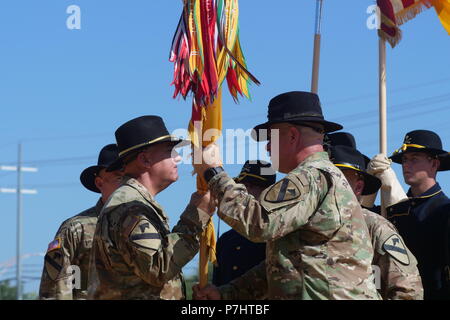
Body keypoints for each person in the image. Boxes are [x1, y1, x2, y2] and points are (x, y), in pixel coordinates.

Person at [193, 91, 381, 300]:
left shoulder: (310, 176)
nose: (266, 146)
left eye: (270, 137)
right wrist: (226, 294)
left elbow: (259, 222)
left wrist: (214, 173)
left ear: (292, 136)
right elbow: (285, 262)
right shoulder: (321, 175)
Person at [88, 115, 215, 300]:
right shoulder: (129, 207)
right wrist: (197, 216)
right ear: (145, 160)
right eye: (169, 151)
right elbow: (159, 268)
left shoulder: (134, 203)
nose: (178, 158)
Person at [328, 145, 423, 300]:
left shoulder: (374, 226)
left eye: (337, 179)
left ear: (358, 187)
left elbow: (408, 289)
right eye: (323, 178)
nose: (327, 185)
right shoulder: (302, 222)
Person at [39, 144, 123, 299]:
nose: (128, 185)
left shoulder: (149, 224)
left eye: (132, 178)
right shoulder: (76, 229)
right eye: (119, 178)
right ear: (99, 183)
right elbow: (55, 291)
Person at [385, 130, 450, 300]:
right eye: (405, 160)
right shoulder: (393, 210)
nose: (406, 165)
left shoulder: (445, 210)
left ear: (434, 164)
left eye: (414, 159)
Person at [212, 160, 275, 288]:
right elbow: (218, 283)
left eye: (252, 185)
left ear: (268, 191)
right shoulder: (226, 239)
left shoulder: (275, 234)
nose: (245, 192)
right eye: (241, 186)